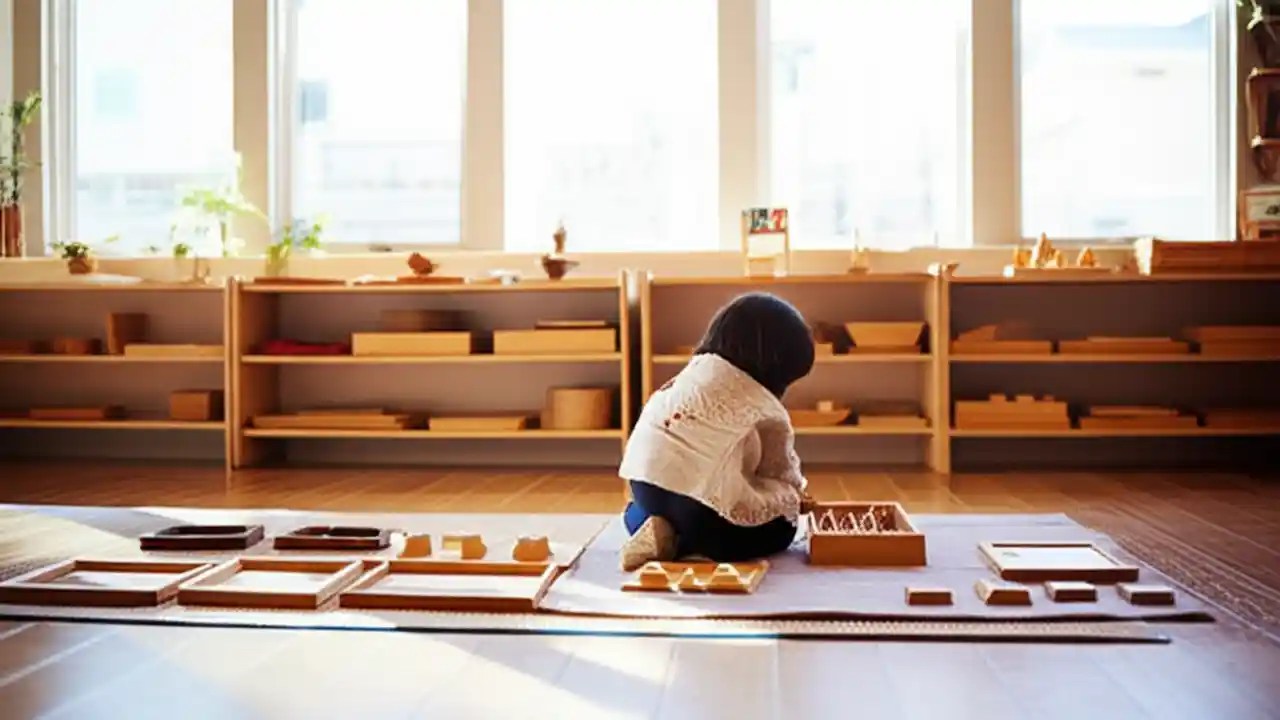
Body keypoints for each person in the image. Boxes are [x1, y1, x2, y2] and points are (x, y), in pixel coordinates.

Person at [618, 292, 815, 570]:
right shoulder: (766, 407)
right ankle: (687, 543)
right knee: (781, 528)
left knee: (651, 508)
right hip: (705, 516)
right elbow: (781, 471)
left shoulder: (692, 373)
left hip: (645, 484)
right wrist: (794, 498)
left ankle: (656, 528)